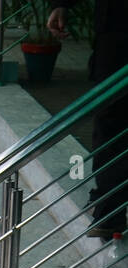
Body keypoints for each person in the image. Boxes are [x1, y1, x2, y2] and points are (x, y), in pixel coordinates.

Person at [49, 2, 128, 238]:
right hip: (114, 32)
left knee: (111, 120)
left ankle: (108, 207)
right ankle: (108, 207)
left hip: (115, 32)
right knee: (110, 117)